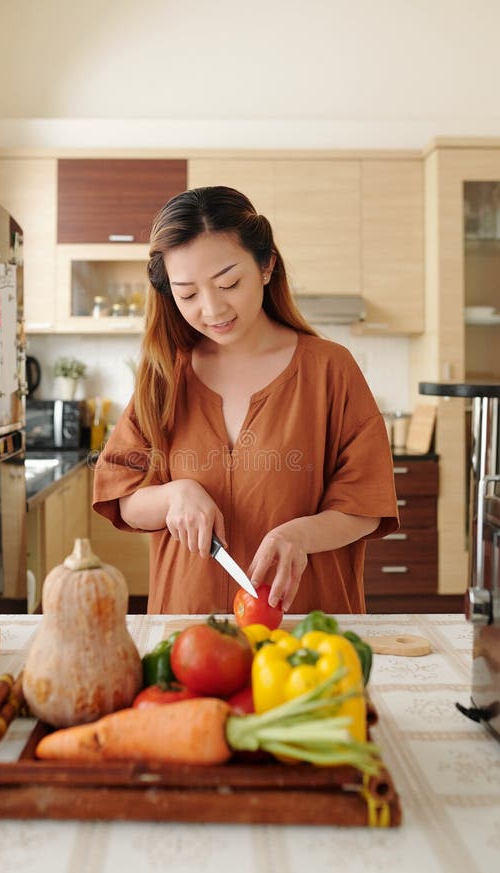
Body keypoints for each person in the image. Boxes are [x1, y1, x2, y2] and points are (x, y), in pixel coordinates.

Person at [93, 186, 398, 615]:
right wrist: (174, 496)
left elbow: (367, 505)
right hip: (192, 634)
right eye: (188, 294)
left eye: (229, 283)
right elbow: (123, 497)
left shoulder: (331, 369)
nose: (213, 308)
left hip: (305, 629)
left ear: (267, 265)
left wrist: (303, 536)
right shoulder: (164, 376)